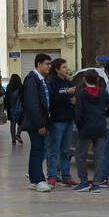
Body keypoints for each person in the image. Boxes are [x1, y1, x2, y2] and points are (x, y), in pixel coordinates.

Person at [72, 70, 109, 192]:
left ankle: (84, 181)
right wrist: (104, 115)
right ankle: (96, 183)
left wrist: (78, 125)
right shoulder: (102, 92)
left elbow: (78, 113)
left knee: (80, 155)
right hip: (100, 127)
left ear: (85, 79)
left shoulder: (81, 94)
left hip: (86, 128)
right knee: (99, 156)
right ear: (97, 80)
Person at [22, 55, 53, 191]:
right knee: (38, 150)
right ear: (39, 64)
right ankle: (39, 179)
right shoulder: (32, 80)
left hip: (39, 121)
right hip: (35, 123)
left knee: (37, 150)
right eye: (47, 64)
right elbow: (33, 104)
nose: (49, 67)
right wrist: (40, 124)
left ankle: (34, 180)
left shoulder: (40, 80)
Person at [45, 58, 78, 186]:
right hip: (56, 121)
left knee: (65, 151)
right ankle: (52, 175)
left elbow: (71, 99)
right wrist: (66, 94)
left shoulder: (69, 83)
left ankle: (66, 175)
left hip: (69, 120)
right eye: (64, 67)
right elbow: (52, 101)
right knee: (53, 150)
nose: (66, 69)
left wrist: (74, 101)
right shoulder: (52, 84)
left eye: (66, 67)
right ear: (57, 69)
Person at [4, 72, 23, 144]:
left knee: (12, 124)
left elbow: (6, 98)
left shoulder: (9, 87)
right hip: (20, 108)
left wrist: (6, 107)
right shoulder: (21, 87)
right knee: (21, 123)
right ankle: (18, 134)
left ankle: (13, 139)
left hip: (11, 108)